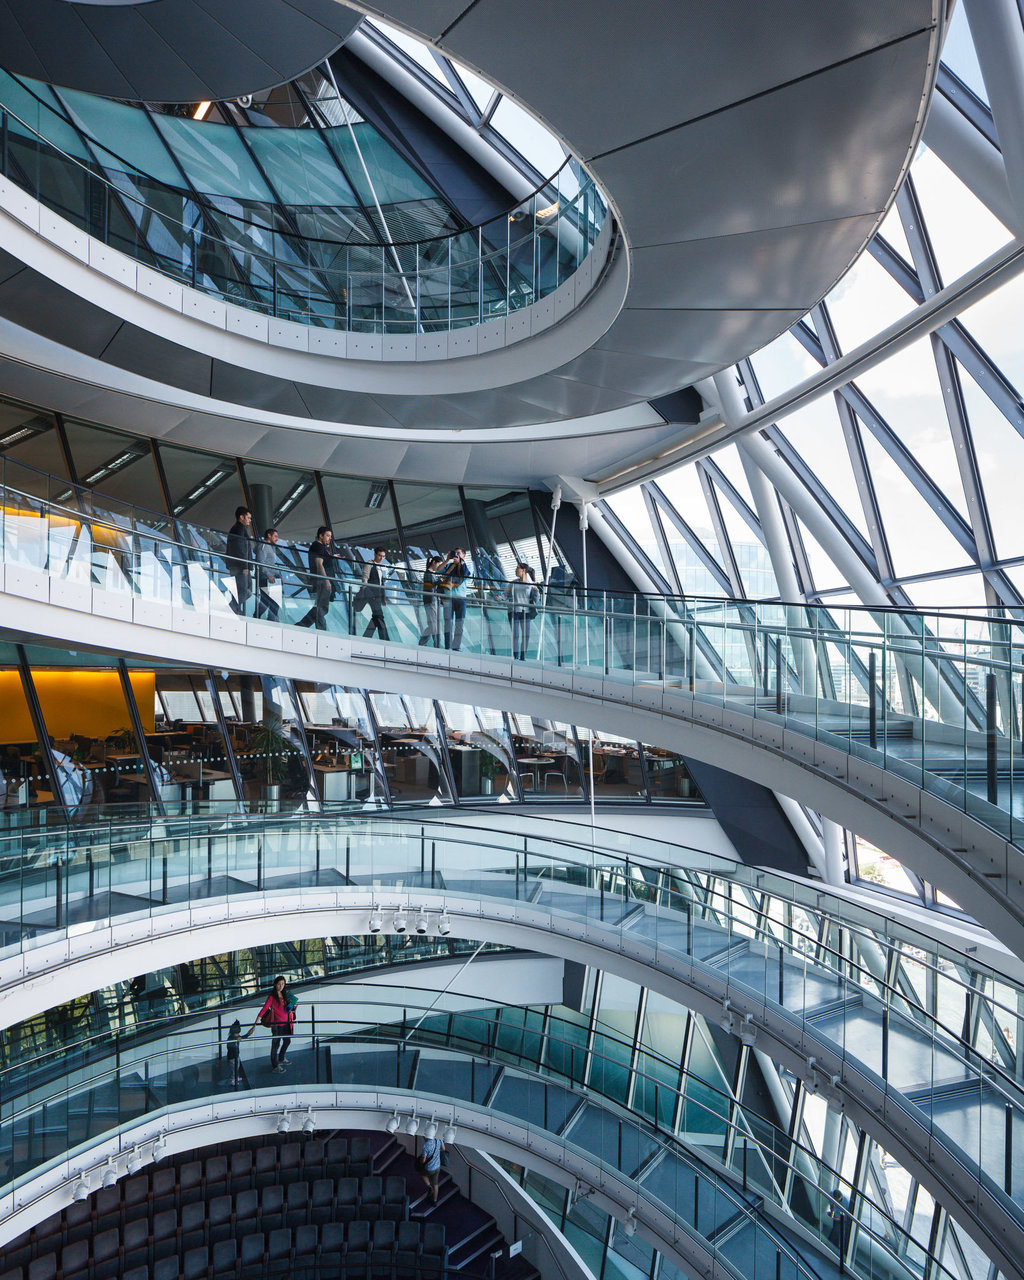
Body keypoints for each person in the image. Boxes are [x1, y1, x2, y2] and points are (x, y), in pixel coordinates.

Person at [246, 975, 297, 1073]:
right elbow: (264, 1009)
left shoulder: (286, 994)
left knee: (287, 1041)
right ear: (275, 984)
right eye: (279, 984)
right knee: (275, 1045)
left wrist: (293, 1008)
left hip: (286, 1023)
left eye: (283, 984)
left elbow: (291, 1005)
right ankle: (275, 1066)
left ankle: (281, 1058)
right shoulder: (272, 997)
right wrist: (255, 1024)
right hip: (276, 1025)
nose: (281, 986)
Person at [297, 526, 334, 630]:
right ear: (320, 536)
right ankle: (320, 630)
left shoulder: (320, 547)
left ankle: (301, 626)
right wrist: (327, 581)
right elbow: (319, 564)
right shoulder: (318, 546)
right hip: (320, 582)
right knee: (321, 608)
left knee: (320, 608)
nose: (329, 538)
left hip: (320, 581)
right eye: (327, 536)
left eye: (330, 536)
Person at [225, 506, 254, 616]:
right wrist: (245, 566)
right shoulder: (238, 529)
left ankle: (236, 609)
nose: (250, 520)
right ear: (241, 517)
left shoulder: (240, 529)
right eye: (248, 518)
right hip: (240, 567)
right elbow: (240, 549)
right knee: (244, 590)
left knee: (241, 590)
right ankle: (232, 608)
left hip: (238, 566)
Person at [440, 548, 470, 651]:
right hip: (448, 598)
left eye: (459, 553)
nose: (456, 555)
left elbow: (464, 576)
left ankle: (456, 646)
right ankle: (447, 646)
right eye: (455, 553)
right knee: (448, 623)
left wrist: (460, 563)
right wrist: (447, 560)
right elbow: (439, 570)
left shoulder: (467, 566)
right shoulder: (449, 565)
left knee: (459, 624)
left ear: (464, 555)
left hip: (460, 598)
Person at [360, 546, 392, 641]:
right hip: (372, 595)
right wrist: (369, 594)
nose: (381, 558)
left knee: (376, 617)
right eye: (380, 556)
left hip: (378, 596)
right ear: (375, 554)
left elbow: (381, 584)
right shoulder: (369, 564)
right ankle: (385, 639)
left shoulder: (380, 567)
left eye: (383, 556)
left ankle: (366, 637)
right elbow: (365, 579)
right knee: (379, 616)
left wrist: (383, 598)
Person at [508, 562, 539, 660]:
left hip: (526, 612)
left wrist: (536, 591)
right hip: (514, 611)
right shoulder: (513, 583)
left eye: (517, 568)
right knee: (516, 635)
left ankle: (523, 656)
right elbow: (505, 595)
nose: (515, 570)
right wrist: (498, 598)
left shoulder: (531, 584)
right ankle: (516, 657)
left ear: (524, 570)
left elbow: (536, 599)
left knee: (526, 636)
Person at [254, 527, 281, 623]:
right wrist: (269, 575)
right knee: (269, 601)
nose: (277, 539)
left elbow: (270, 565)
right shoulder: (263, 545)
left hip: (270, 578)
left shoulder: (268, 546)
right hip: (265, 578)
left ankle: (269, 619)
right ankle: (268, 619)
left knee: (268, 601)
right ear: (269, 535)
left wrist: (278, 576)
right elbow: (261, 562)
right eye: (275, 536)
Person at [419, 555, 443, 646]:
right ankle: (437, 645)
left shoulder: (431, 573)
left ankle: (422, 643)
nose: (439, 567)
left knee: (432, 625)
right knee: (433, 625)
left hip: (433, 601)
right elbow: (430, 586)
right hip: (430, 601)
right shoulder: (428, 573)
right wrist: (440, 581)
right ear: (434, 563)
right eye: (439, 565)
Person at [418, 1133, 445, 1205]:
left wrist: (420, 1160)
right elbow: (443, 1149)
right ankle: (435, 1201)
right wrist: (436, 1153)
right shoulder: (438, 1139)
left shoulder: (426, 1146)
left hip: (429, 1168)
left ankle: (429, 1187)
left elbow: (423, 1160)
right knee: (436, 1184)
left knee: (423, 1174)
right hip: (437, 1166)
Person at [225, 1018, 243, 1088]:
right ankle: (232, 1079)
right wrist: (236, 1040)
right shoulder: (231, 1038)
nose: (238, 1034)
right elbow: (230, 1046)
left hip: (236, 1055)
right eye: (237, 1033)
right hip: (232, 1057)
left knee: (237, 1066)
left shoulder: (236, 1037)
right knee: (233, 1068)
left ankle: (236, 1077)